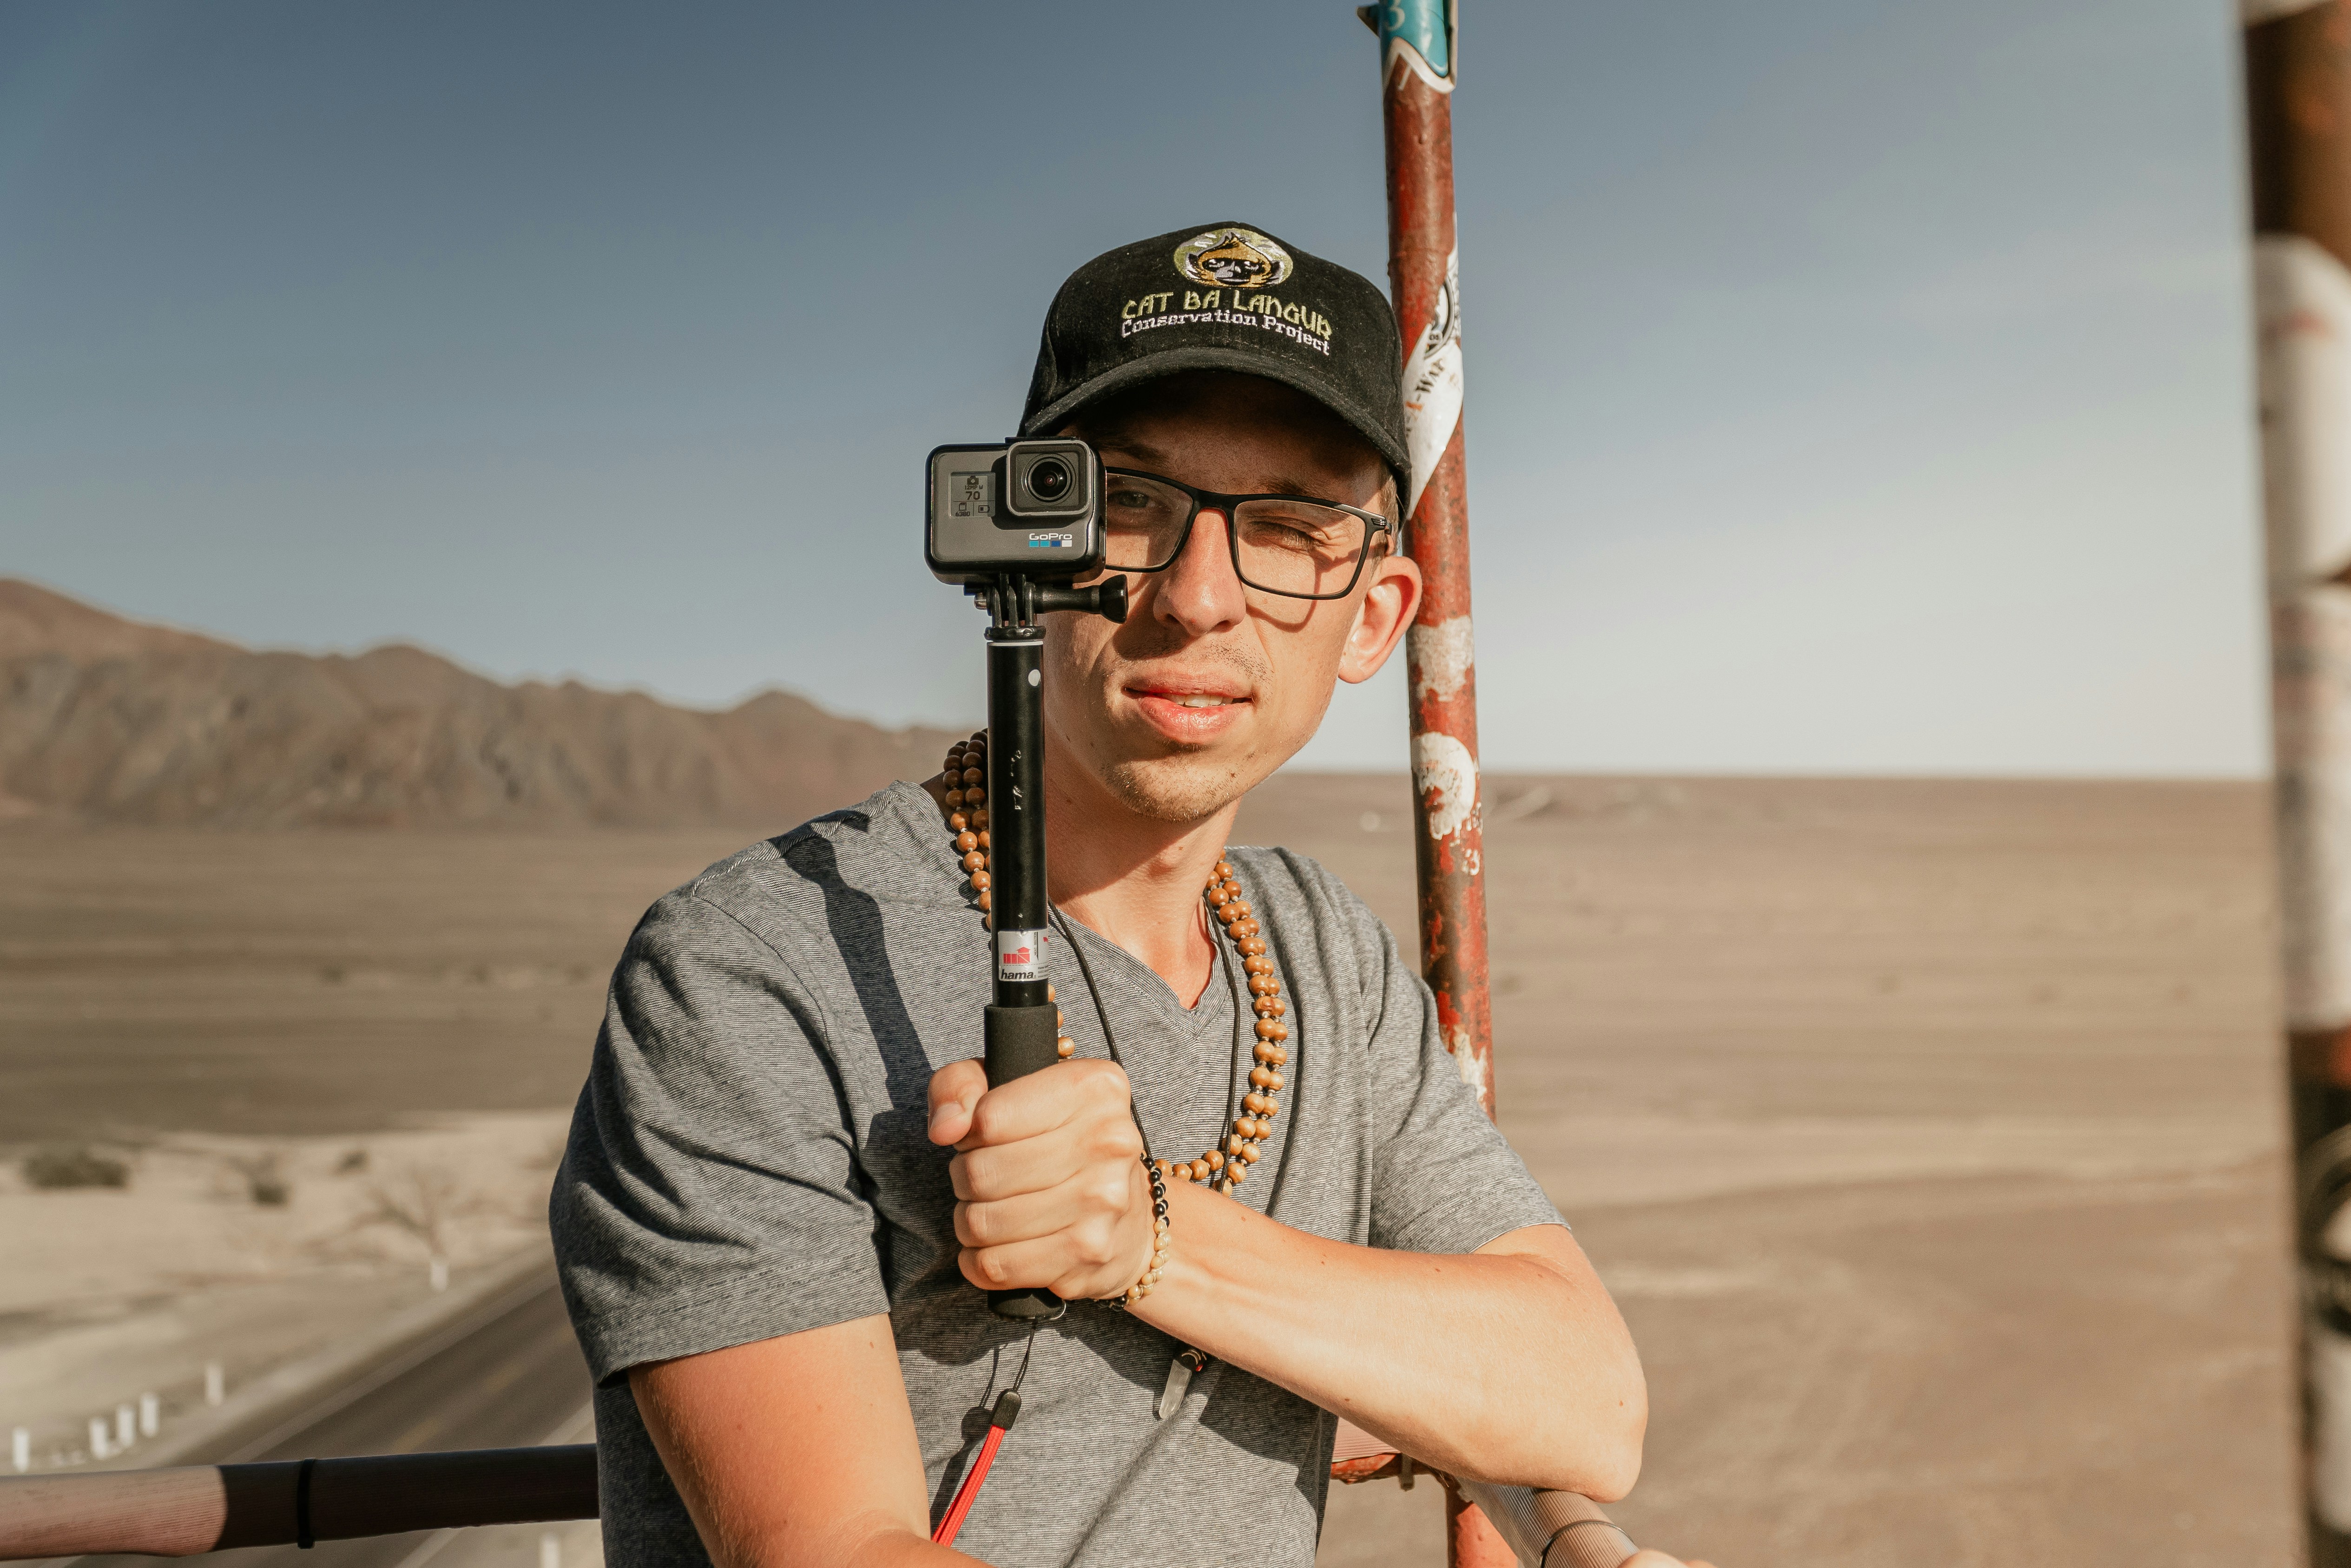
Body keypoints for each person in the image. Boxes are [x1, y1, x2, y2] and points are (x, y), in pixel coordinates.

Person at [551, 222, 1715, 1568]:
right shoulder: (763, 963)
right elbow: (842, 1546)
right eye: (1130, 504)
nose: (1196, 597)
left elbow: (1583, 1404)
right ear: (1020, 541)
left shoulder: (1318, 950)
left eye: (1288, 527)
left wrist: (1153, 1238)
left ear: (1377, 617)